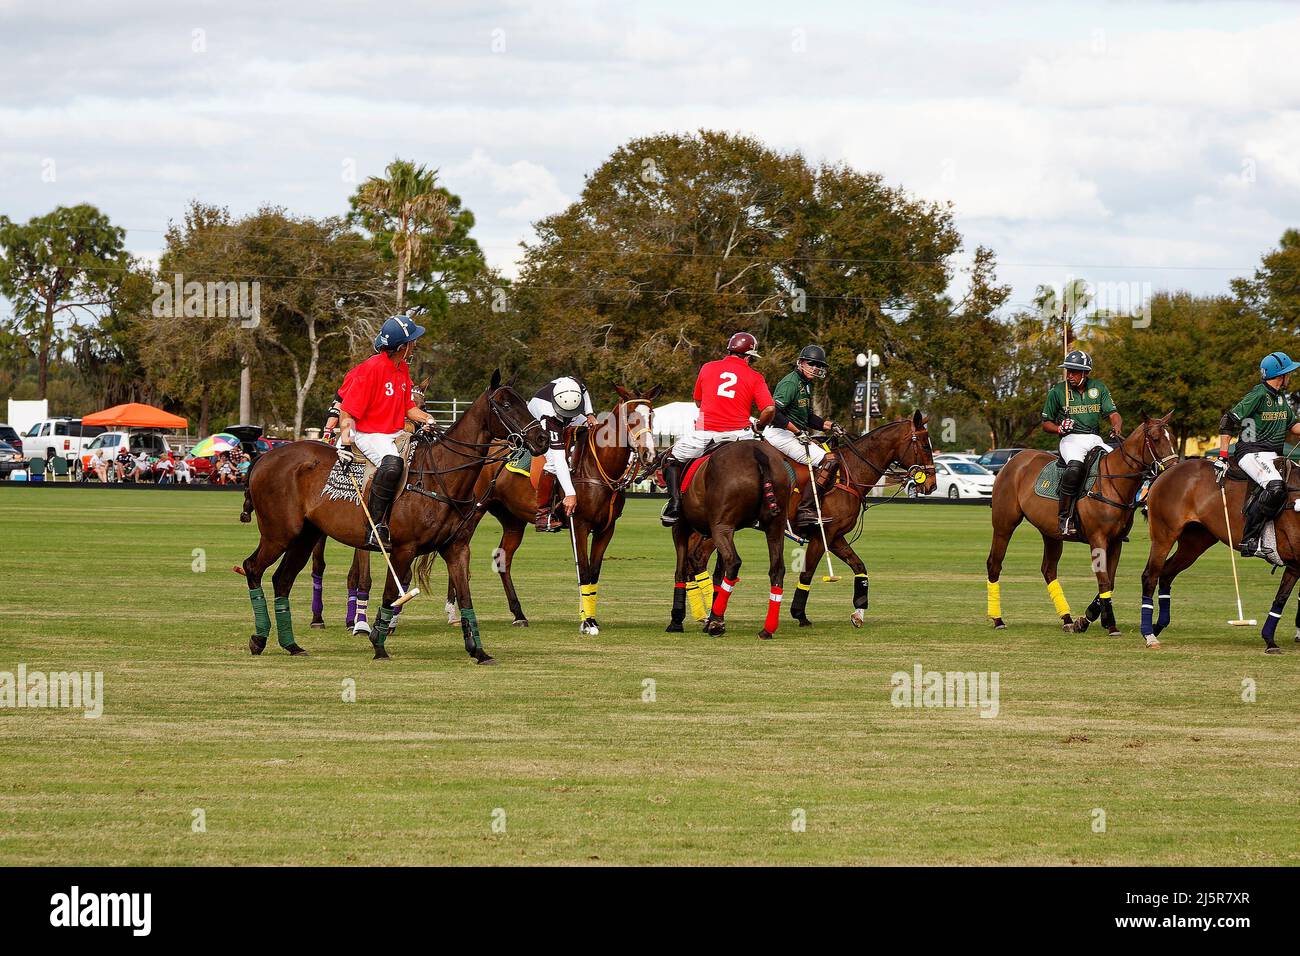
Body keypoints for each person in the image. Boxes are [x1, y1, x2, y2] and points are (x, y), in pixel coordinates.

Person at [334, 315, 441, 551]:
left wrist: (427, 418)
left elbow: (408, 408)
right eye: (413, 341)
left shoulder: (402, 368)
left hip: (395, 432)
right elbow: (348, 412)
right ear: (402, 347)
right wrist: (346, 443)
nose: (415, 344)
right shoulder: (370, 369)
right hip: (369, 432)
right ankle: (375, 527)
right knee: (393, 465)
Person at [660, 331, 777, 526]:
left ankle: (674, 505)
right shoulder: (755, 376)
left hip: (705, 432)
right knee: (768, 463)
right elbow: (769, 409)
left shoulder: (707, 368)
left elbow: (698, 401)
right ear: (749, 356)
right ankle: (763, 508)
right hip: (740, 434)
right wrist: (759, 426)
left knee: (672, 458)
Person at [1214, 351, 1300, 558]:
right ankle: (1249, 539)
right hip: (1251, 452)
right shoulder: (1259, 394)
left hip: (1273, 455)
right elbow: (1228, 420)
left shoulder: (1280, 398)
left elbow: (1294, 426)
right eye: (1289, 373)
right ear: (1280, 375)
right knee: (1275, 487)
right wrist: (1223, 456)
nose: (1291, 376)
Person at [1041, 349, 1121, 536]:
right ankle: (1064, 517)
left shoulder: (1099, 388)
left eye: (1074, 372)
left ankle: (1120, 517)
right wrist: (1059, 428)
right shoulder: (1057, 391)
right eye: (1068, 371)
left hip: (1094, 438)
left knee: (1119, 465)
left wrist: (1116, 426)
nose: (1069, 375)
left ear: (1085, 373)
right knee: (1075, 467)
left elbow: (1114, 414)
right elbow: (1046, 423)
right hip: (1071, 439)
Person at [763, 344, 843, 530]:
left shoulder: (806, 385)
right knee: (828, 460)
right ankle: (806, 509)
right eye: (811, 363)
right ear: (800, 363)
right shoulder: (791, 383)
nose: (815, 368)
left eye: (819, 365)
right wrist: (797, 432)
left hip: (790, 433)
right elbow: (775, 412)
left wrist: (829, 425)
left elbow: (808, 418)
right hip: (779, 433)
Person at [527, 376, 597, 532]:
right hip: (537, 411)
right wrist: (570, 493)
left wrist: (590, 414)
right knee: (552, 463)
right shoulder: (548, 416)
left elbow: (584, 391)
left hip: (567, 405)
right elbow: (559, 461)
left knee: (595, 428)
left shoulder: (576, 386)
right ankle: (543, 515)